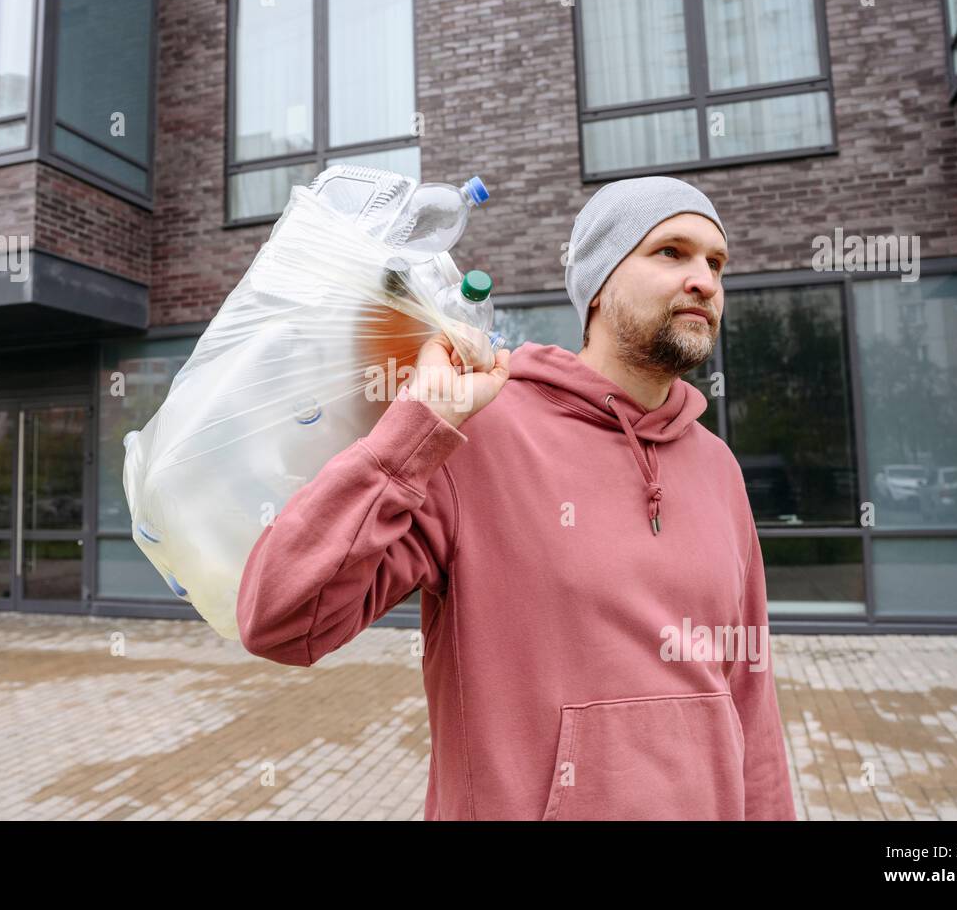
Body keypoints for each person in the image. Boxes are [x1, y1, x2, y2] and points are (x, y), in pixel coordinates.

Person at [237, 175, 797, 821]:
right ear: (599, 282)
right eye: (670, 252)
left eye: (716, 262)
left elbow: (749, 699)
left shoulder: (719, 467)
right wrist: (410, 433)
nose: (704, 278)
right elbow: (280, 620)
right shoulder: (474, 431)